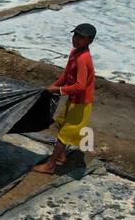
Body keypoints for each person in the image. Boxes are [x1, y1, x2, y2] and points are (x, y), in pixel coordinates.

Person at [34, 23, 96, 175]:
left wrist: (58, 90)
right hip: (73, 99)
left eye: (81, 38)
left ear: (90, 41)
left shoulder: (83, 59)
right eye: (75, 35)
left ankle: (50, 165)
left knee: (65, 134)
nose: (76, 39)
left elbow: (80, 86)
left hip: (81, 102)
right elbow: (66, 75)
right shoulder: (74, 53)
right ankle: (60, 154)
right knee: (62, 125)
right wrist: (52, 87)